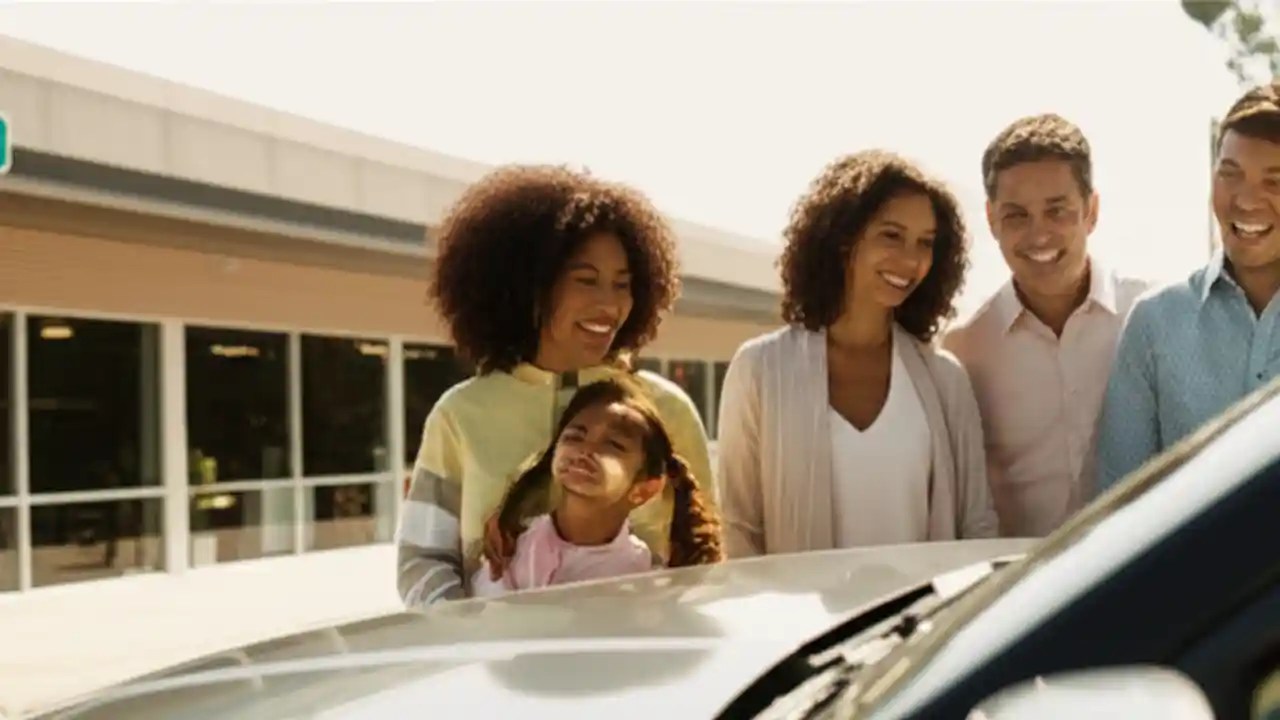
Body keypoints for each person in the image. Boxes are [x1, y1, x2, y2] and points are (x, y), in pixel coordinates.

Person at [396, 165, 718, 608]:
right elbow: (422, 560)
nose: (609, 304)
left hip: (636, 664)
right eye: (586, 280)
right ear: (527, 286)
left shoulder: (667, 408)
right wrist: (470, 636)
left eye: (622, 285)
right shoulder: (460, 413)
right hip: (497, 667)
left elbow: (705, 558)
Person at [716, 150, 998, 558]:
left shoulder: (944, 378)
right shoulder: (760, 369)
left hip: (929, 620)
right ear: (844, 237)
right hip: (807, 623)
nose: (910, 259)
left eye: (925, 243)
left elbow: (977, 523)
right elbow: (739, 526)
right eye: (891, 235)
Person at [942, 114, 1149, 537]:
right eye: (1017, 215)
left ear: (1091, 211)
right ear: (991, 219)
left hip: (1140, 578)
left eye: (1057, 211)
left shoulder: (1150, 316)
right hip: (1026, 592)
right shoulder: (964, 350)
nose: (1039, 235)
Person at [1096, 83, 1280, 491]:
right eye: (1230, 175)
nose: (1246, 201)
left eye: (1274, 181)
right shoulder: (1155, 323)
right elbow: (1118, 504)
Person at [472, 377, 723, 596]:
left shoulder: (641, 577)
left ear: (644, 489)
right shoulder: (511, 550)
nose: (586, 450)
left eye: (613, 445)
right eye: (574, 436)